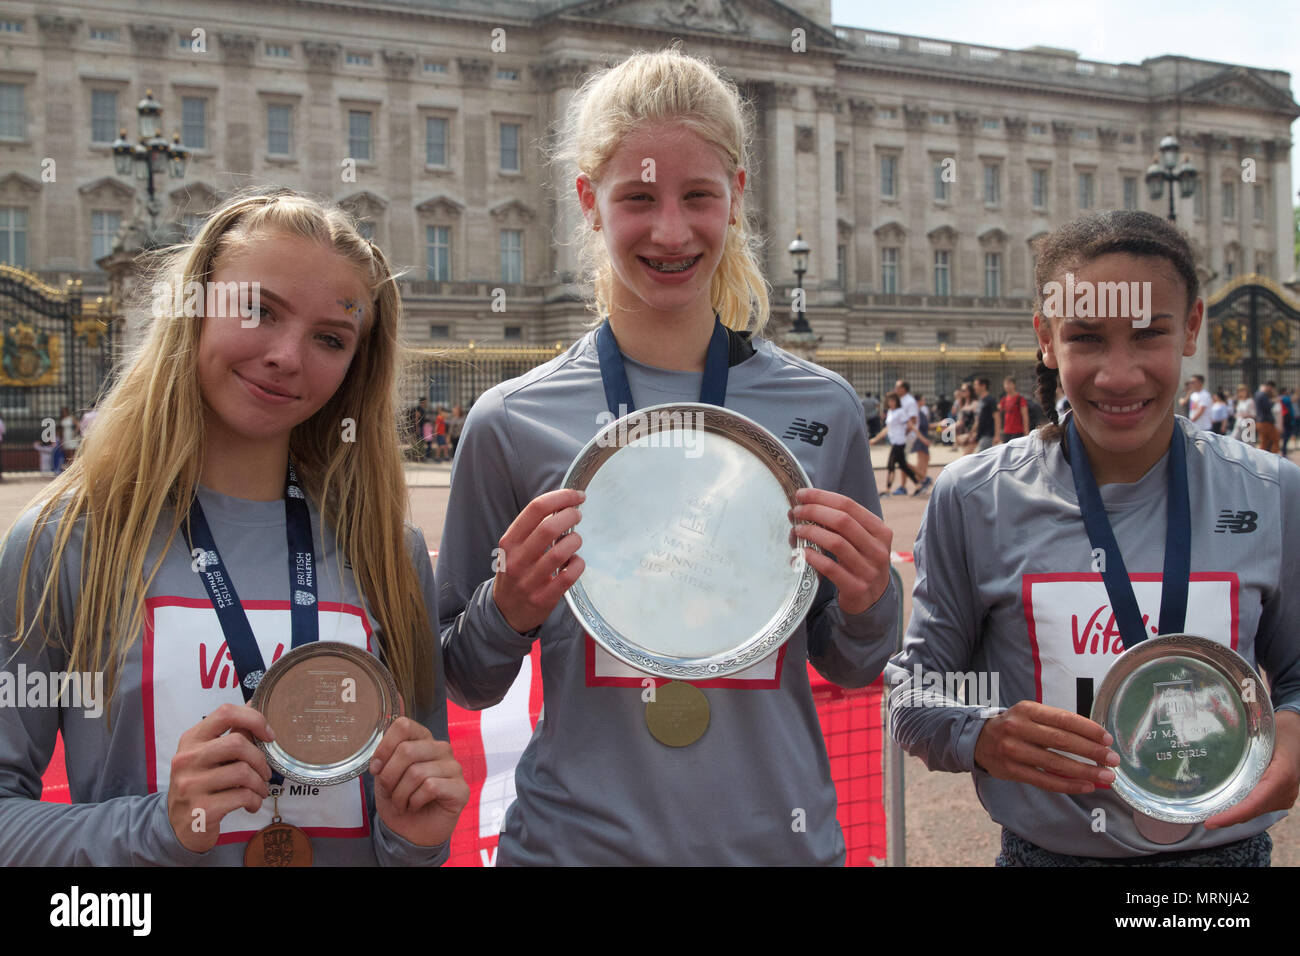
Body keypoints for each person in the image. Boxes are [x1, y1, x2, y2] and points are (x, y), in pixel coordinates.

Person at [434, 46, 899, 865]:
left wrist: (871, 598)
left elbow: (853, 660)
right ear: (588, 201)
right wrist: (507, 607)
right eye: (638, 198)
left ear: (737, 198)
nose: (672, 231)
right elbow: (465, 678)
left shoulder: (822, 409)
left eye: (698, 197)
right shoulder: (510, 420)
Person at [0, 189, 468, 865]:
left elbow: (409, 827)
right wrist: (157, 826)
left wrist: (416, 838)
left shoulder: (386, 550)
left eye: (330, 339)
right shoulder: (65, 539)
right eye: (257, 310)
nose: (286, 355)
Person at [887, 210, 1300, 866]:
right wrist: (983, 736)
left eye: (1148, 335)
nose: (1119, 374)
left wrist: (1294, 728)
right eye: (1085, 338)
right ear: (1046, 341)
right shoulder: (975, 497)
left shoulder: (1273, 491)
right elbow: (913, 692)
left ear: (1192, 327)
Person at [870, 392, 922, 496]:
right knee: (903, 466)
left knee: (890, 465)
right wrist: (875, 439)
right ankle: (918, 485)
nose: (891, 403)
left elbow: (909, 425)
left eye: (893, 400)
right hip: (894, 442)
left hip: (899, 442)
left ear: (897, 401)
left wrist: (918, 436)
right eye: (889, 400)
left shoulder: (900, 412)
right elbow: (887, 428)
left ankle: (887, 490)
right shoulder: (890, 412)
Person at [911, 393, 933, 494]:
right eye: (923, 399)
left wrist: (939, 427)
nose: (924, 401)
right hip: (920, 440)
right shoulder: (915, 414)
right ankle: (920, 484)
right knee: (921, 463)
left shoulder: (922, 412)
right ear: (918, 401)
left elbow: (928, 426)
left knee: (926, 461)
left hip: (924, 439)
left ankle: (922, 485)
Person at [997, 376, 1029, 444]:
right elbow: (997, 413)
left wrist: (1026, 432)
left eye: (1009, 384)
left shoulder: (1020, 399)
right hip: (1006, 432)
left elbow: (1025, 416)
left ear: (1014, 385)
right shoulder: (1004, 400)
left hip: (1018, 432)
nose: (1007, 386)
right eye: (1005, 384)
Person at [973, 376, 998, 451]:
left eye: (976, 385)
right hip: (980, 434)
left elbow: (997, 418)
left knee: (980, 457)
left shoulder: (991, 400)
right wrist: (973, 431)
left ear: (983, 386)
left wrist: (997, 435)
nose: (974, 387)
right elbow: (978, 418)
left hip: (988, 434)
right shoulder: (981, 400)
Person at [1255, 381, 1279, 454]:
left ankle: (1262, 457)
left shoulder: (1257, 394)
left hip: (1260, 421)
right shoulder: (1263, 395)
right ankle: (1274, 457)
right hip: (1266, 421)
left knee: (1264, 441)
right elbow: (1267, 407)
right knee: (1274, 440)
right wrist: (1273, 401)